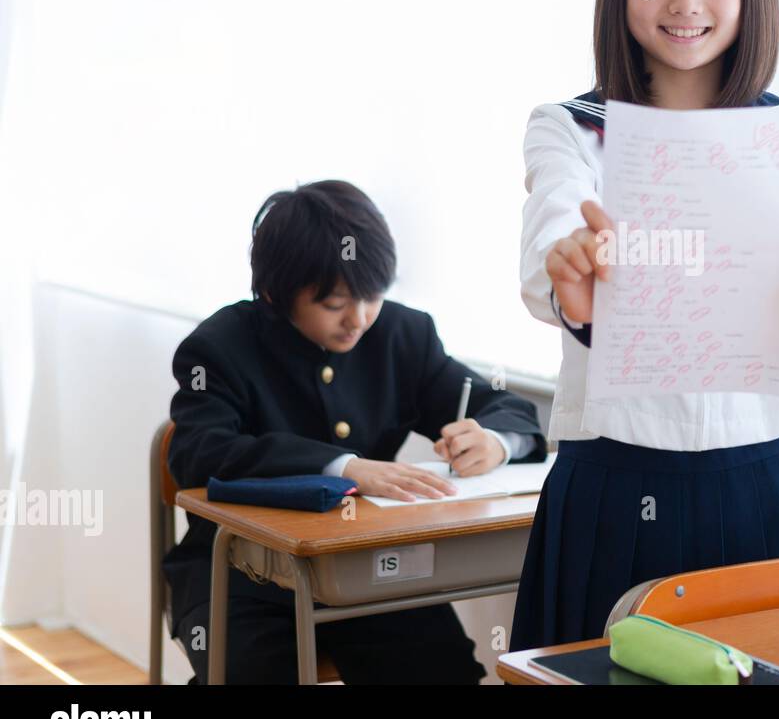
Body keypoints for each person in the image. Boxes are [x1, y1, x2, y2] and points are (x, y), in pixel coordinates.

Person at [510, 0, 779, 651]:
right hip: (615, 484)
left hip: (768, 483)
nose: (685, 1)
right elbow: (554, 236)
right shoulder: (570, 129)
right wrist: (571, 278)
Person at [164, 179, 546, 683]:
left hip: (370, 574)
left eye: (374, 295)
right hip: (240, 578)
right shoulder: (220, 346)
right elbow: (199, 452)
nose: (360, 319)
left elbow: (504, 407)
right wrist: (344, 469)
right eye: (334, 304)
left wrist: (494, 442)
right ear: (278, 293)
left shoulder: (402, 335)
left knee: (446, 674)